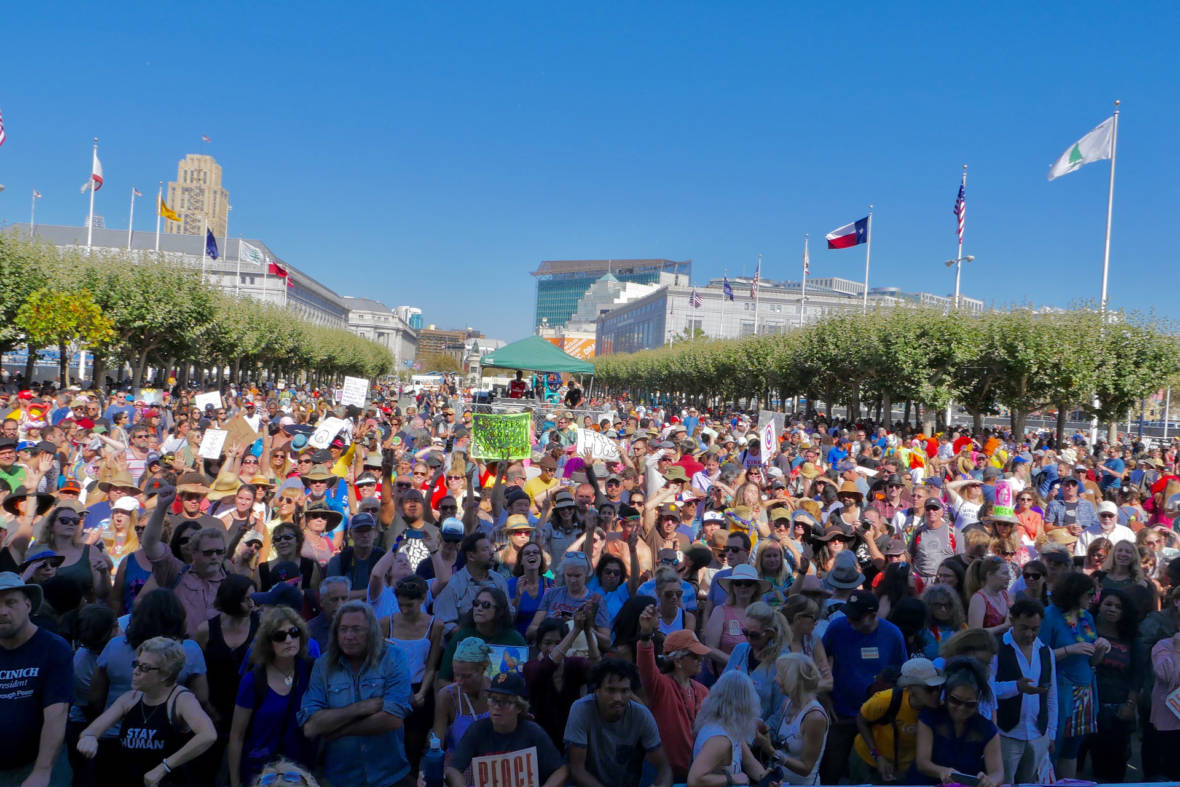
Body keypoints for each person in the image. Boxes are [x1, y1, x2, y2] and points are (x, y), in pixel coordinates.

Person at [299, 599, 412, 787]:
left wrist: (340, 730)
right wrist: (361, 708)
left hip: (390, 776)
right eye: (343, 629)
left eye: (356, 629)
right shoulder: (323, 666)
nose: (349, 636)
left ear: (371, 632)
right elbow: (311, 726)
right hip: (340, 778)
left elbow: (393, 718)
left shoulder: (394, 658)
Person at [76, 636, 217, 786]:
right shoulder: (130, 698)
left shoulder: (181, 699)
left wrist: (164, 767)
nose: (135, 671)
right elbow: (90, 731)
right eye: (136, 664)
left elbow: (208, 735)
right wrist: (89, 739)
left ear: (165, 674)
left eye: (144, 667)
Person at [820, 589, 908, 784]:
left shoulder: (892, 634)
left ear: (872, 616)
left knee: (875, 773)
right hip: (841, 714)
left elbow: (903, 674)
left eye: (856, 618)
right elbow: (819, 658)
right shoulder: (837, 628)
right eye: (848, 615)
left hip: (879, 719)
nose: (850, 621)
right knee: (831, 771)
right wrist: (822, 693)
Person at [227, 607, 316, 787]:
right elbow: (237, 736)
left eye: (294, 632)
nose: (289, 640)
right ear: (268, 642)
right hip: (261, 775)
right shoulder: (253, 681)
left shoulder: (311, 670)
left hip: (300, 775)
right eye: (280, 636)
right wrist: (235, 783)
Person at [0, 572, 73, 786]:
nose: (2, 611)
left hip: (39, 764)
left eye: (10, 602)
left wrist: (42, 771)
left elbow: (57, 714)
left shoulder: (53, 648)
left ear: (28, 605)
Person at [445, 671, 568, 787]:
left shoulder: (532, 732)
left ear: (519, 707)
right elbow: (453, 769)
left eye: (504, 702)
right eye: (492, 700)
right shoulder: (478, 730)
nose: (496, 707)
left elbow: (561, 770)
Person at [1039, 570, 1107, 778]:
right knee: (1053, 745)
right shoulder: (1049, 616)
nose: (1093, 599)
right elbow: (1038, 656)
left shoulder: (1086, 617)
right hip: (1060, 691)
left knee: (1072, 748)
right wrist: (1069, 650)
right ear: (1074, 593)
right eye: (1089, 594)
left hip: (1085, 690)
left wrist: (1101, 649)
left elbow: (1092, 661)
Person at [564, 659, 672, 787]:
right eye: (611, 690)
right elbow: (577, 769)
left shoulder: (641, 715)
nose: (617, 698)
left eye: (624, 691)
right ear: (597, 690)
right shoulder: (581, 709)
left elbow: (664, 768)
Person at [140, 486, 228, 639]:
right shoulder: (176, 571)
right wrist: (161, 507)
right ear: (194, 552)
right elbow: (149, 544)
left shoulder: (229, 578)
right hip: (181, 651)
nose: (215, 557)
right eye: (208, 552)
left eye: (219, 552)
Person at [636, 605, 710, 781]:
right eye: (695, 656)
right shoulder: (661, 686)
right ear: (678, 661)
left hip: (693, 774)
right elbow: (646, 667)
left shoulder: (703, 691)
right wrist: (646, 634)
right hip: (659, 773)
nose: (701, 660)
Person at [379, 574, 442, 775]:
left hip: (418, 687)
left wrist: (422, 692)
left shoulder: (435, 625)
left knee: (413, 751)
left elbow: (431, 665)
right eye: (401, 605)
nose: (404, 610)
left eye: (410, 605)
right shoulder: (385, 623)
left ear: (422, 599)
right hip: (391, 689)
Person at [991, 597, 1057, 784]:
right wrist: (1016, 687)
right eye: (1024, 628)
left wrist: (1051, 733)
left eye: (1035, 629)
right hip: (1005, 735)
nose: (1029, 634)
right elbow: (987, 690)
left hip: (1038, 735)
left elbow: (1051, 696)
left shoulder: (1046, 651)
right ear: (1012, 621)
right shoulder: (996, 648)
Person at [851, 656, 945, 784]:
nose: (936, 693)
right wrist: (877, 756)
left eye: (939, 687)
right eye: (929, 689)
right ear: (910, 688)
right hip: (868, 761)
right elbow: (861, 720)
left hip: (904, 769)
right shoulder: (885, 700)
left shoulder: (939, 709)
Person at [912, 656, 1003, 787]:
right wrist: (942, 771)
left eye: (970, 704)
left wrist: (990, 780)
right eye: (955, 700)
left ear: (977, 702)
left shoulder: (987, 729)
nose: (961, 708)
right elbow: (922, 763)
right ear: (947, 695)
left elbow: (998, 772)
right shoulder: (929, 717)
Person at [1086, 587, 1141, 781]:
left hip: (1117, 711)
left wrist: (1130, 705)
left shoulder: (1131, 638)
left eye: (1118, 607)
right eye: (1108, 604)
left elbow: (1137, 674)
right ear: (1099, 606)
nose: (1112, 609)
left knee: (1114, 769)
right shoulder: (1086, 631)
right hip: (1087, 707)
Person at [688, 671, 776, 787]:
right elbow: (694, 780)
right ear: (745, 704)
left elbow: (749, 762)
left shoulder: (730, 728)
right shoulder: (720, 740)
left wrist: (765, 778)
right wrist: (731, 779)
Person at [762, 653, 829, 785]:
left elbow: (806, 768)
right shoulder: (787, 704)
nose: (775, 679)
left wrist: (771, 751)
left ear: (792, 680)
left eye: (780, 675)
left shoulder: (814, 717)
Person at [439, 587, 527, 682]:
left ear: (500, 611)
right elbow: (443, 679)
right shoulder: (462, 636)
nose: (479, 608)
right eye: (476, 604)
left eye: (486, 605)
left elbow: (524, 680)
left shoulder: (514, 639)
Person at [435, 532, 511, 636]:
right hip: (463, 645)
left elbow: (509, 613)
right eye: (485, 549)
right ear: (471, 556)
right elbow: (446, 623)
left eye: (491, 548)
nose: (492, 552)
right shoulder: (454, 584)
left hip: (497, 642)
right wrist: (472, 638)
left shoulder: (499, 580)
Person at [434, 636, 491, 757]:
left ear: (483, 669)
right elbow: (437, 742)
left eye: (466, 676)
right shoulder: (447, 696)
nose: (459, 682)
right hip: (460, 766)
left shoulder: (496, 690)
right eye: (456, 675)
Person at [966, 555, 1010, 634]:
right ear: (989, 575)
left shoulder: (1005, 594)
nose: (1009, 577)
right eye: (1004, 573)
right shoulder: (979, 599)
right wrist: (1005, 626)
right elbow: (974, 632)